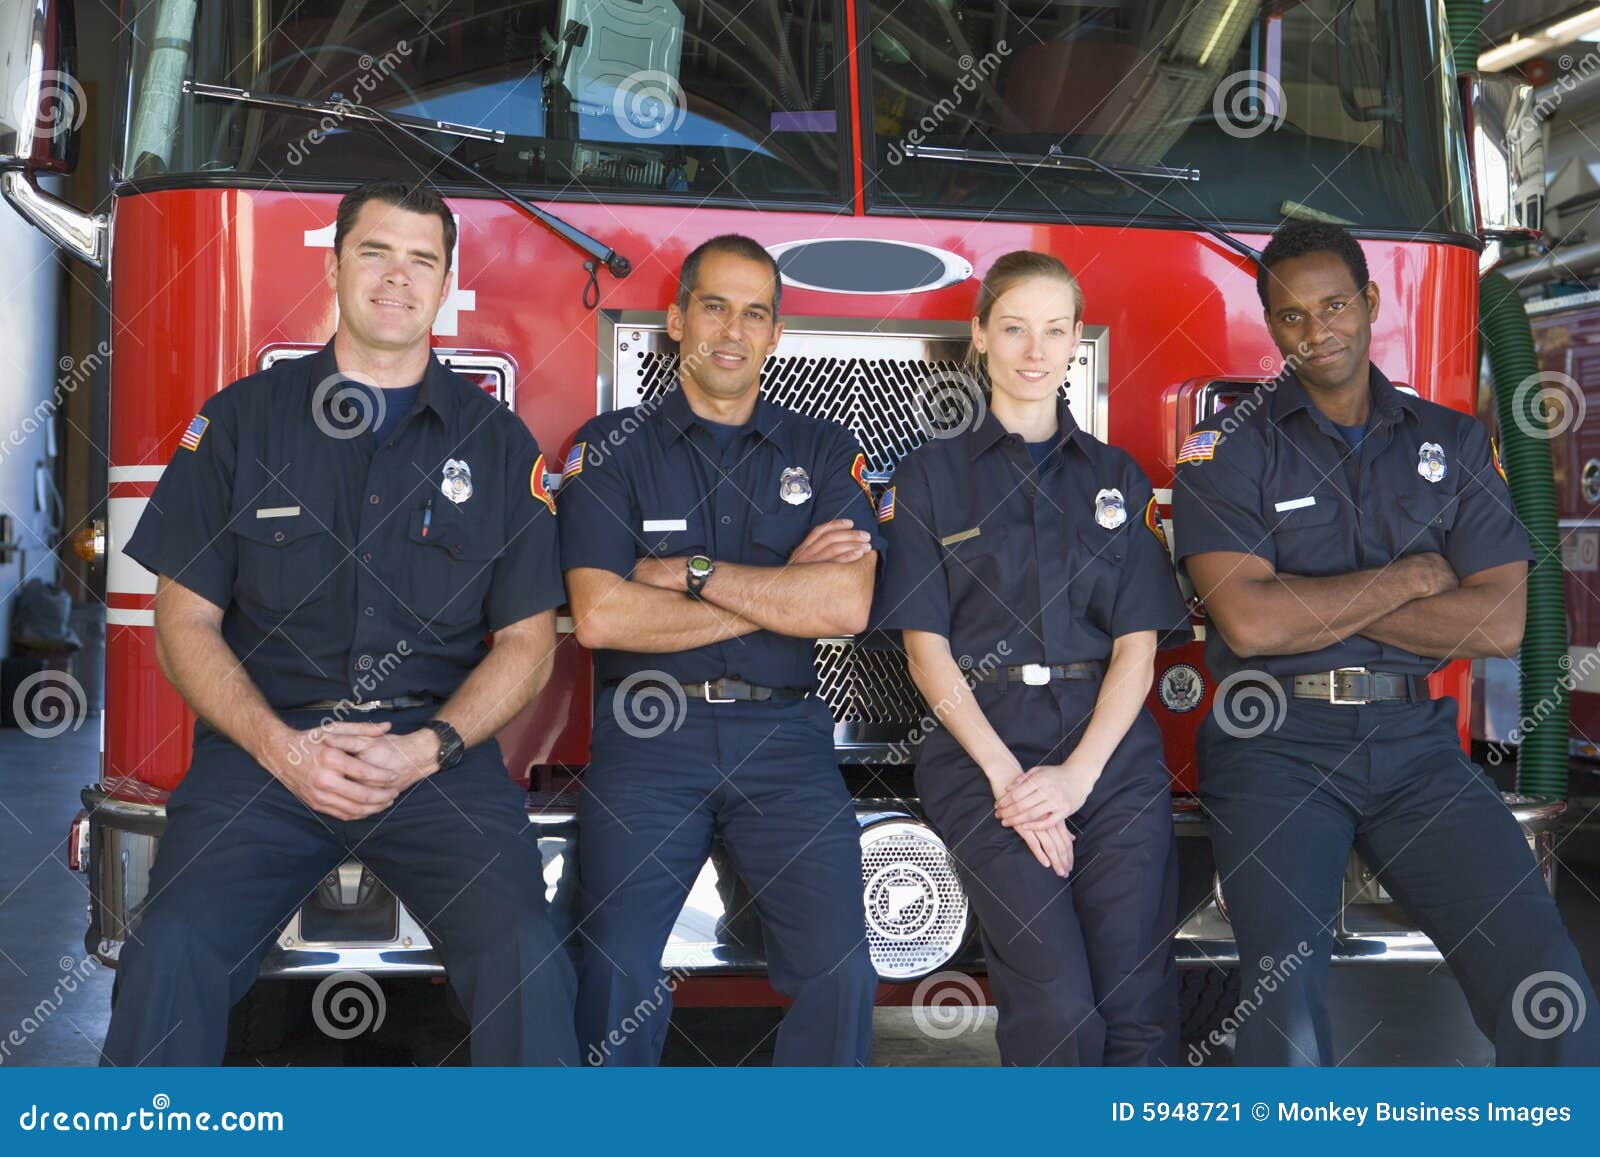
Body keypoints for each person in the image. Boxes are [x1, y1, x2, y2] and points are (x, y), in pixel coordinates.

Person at [102, 180, 578, 1066]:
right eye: (376, 252)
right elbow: (185, 623)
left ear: (443, 286)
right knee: (170, 949)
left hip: (436, 763)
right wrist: (285, 749)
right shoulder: (239, 424)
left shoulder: (501, 444)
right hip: (264, 754)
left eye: (421, 261)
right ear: (334, 267)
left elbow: (525, 642)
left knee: (528, 956)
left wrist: (423, 749)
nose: (398, 278)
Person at [1173, 219, 1600, 1065]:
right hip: (1275, 747)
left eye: (1334, 304)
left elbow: (1501, 621)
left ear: (1369, 302)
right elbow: (1249, 623)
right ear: (1272, 327)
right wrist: (1411, 578)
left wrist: (1309, 598)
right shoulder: (1227, 448)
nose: (1317, 330)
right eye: (1292, 316)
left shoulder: (1453, 440)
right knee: (1281, 1013)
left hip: (1415, 749)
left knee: (1548, 987)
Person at [558, 234, 881, 1066]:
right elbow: (600, 616)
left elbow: (844, 603)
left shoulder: (822, 446)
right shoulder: (610, 445)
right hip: (647, 737)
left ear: (776, 334)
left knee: (842, 968)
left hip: (787, 745)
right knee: (613, 966)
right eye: (714, 307)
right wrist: (777, 596)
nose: (733, 330)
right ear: (675, 321)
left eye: (755, 313)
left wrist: (691, 574)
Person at [872, 251, 1191, 1065]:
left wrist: (1077, 778)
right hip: (984, 756)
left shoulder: (1119, 476)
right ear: (979, 336)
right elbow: (926, 653)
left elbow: (1137, 648)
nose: (1033, 349)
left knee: (1138, 1003)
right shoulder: (930, 478)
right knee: (1056, 1005)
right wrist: (1013, 783)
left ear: (1077, 340)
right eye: (1014, 327)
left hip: (1109, 757)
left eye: (1054, 330)